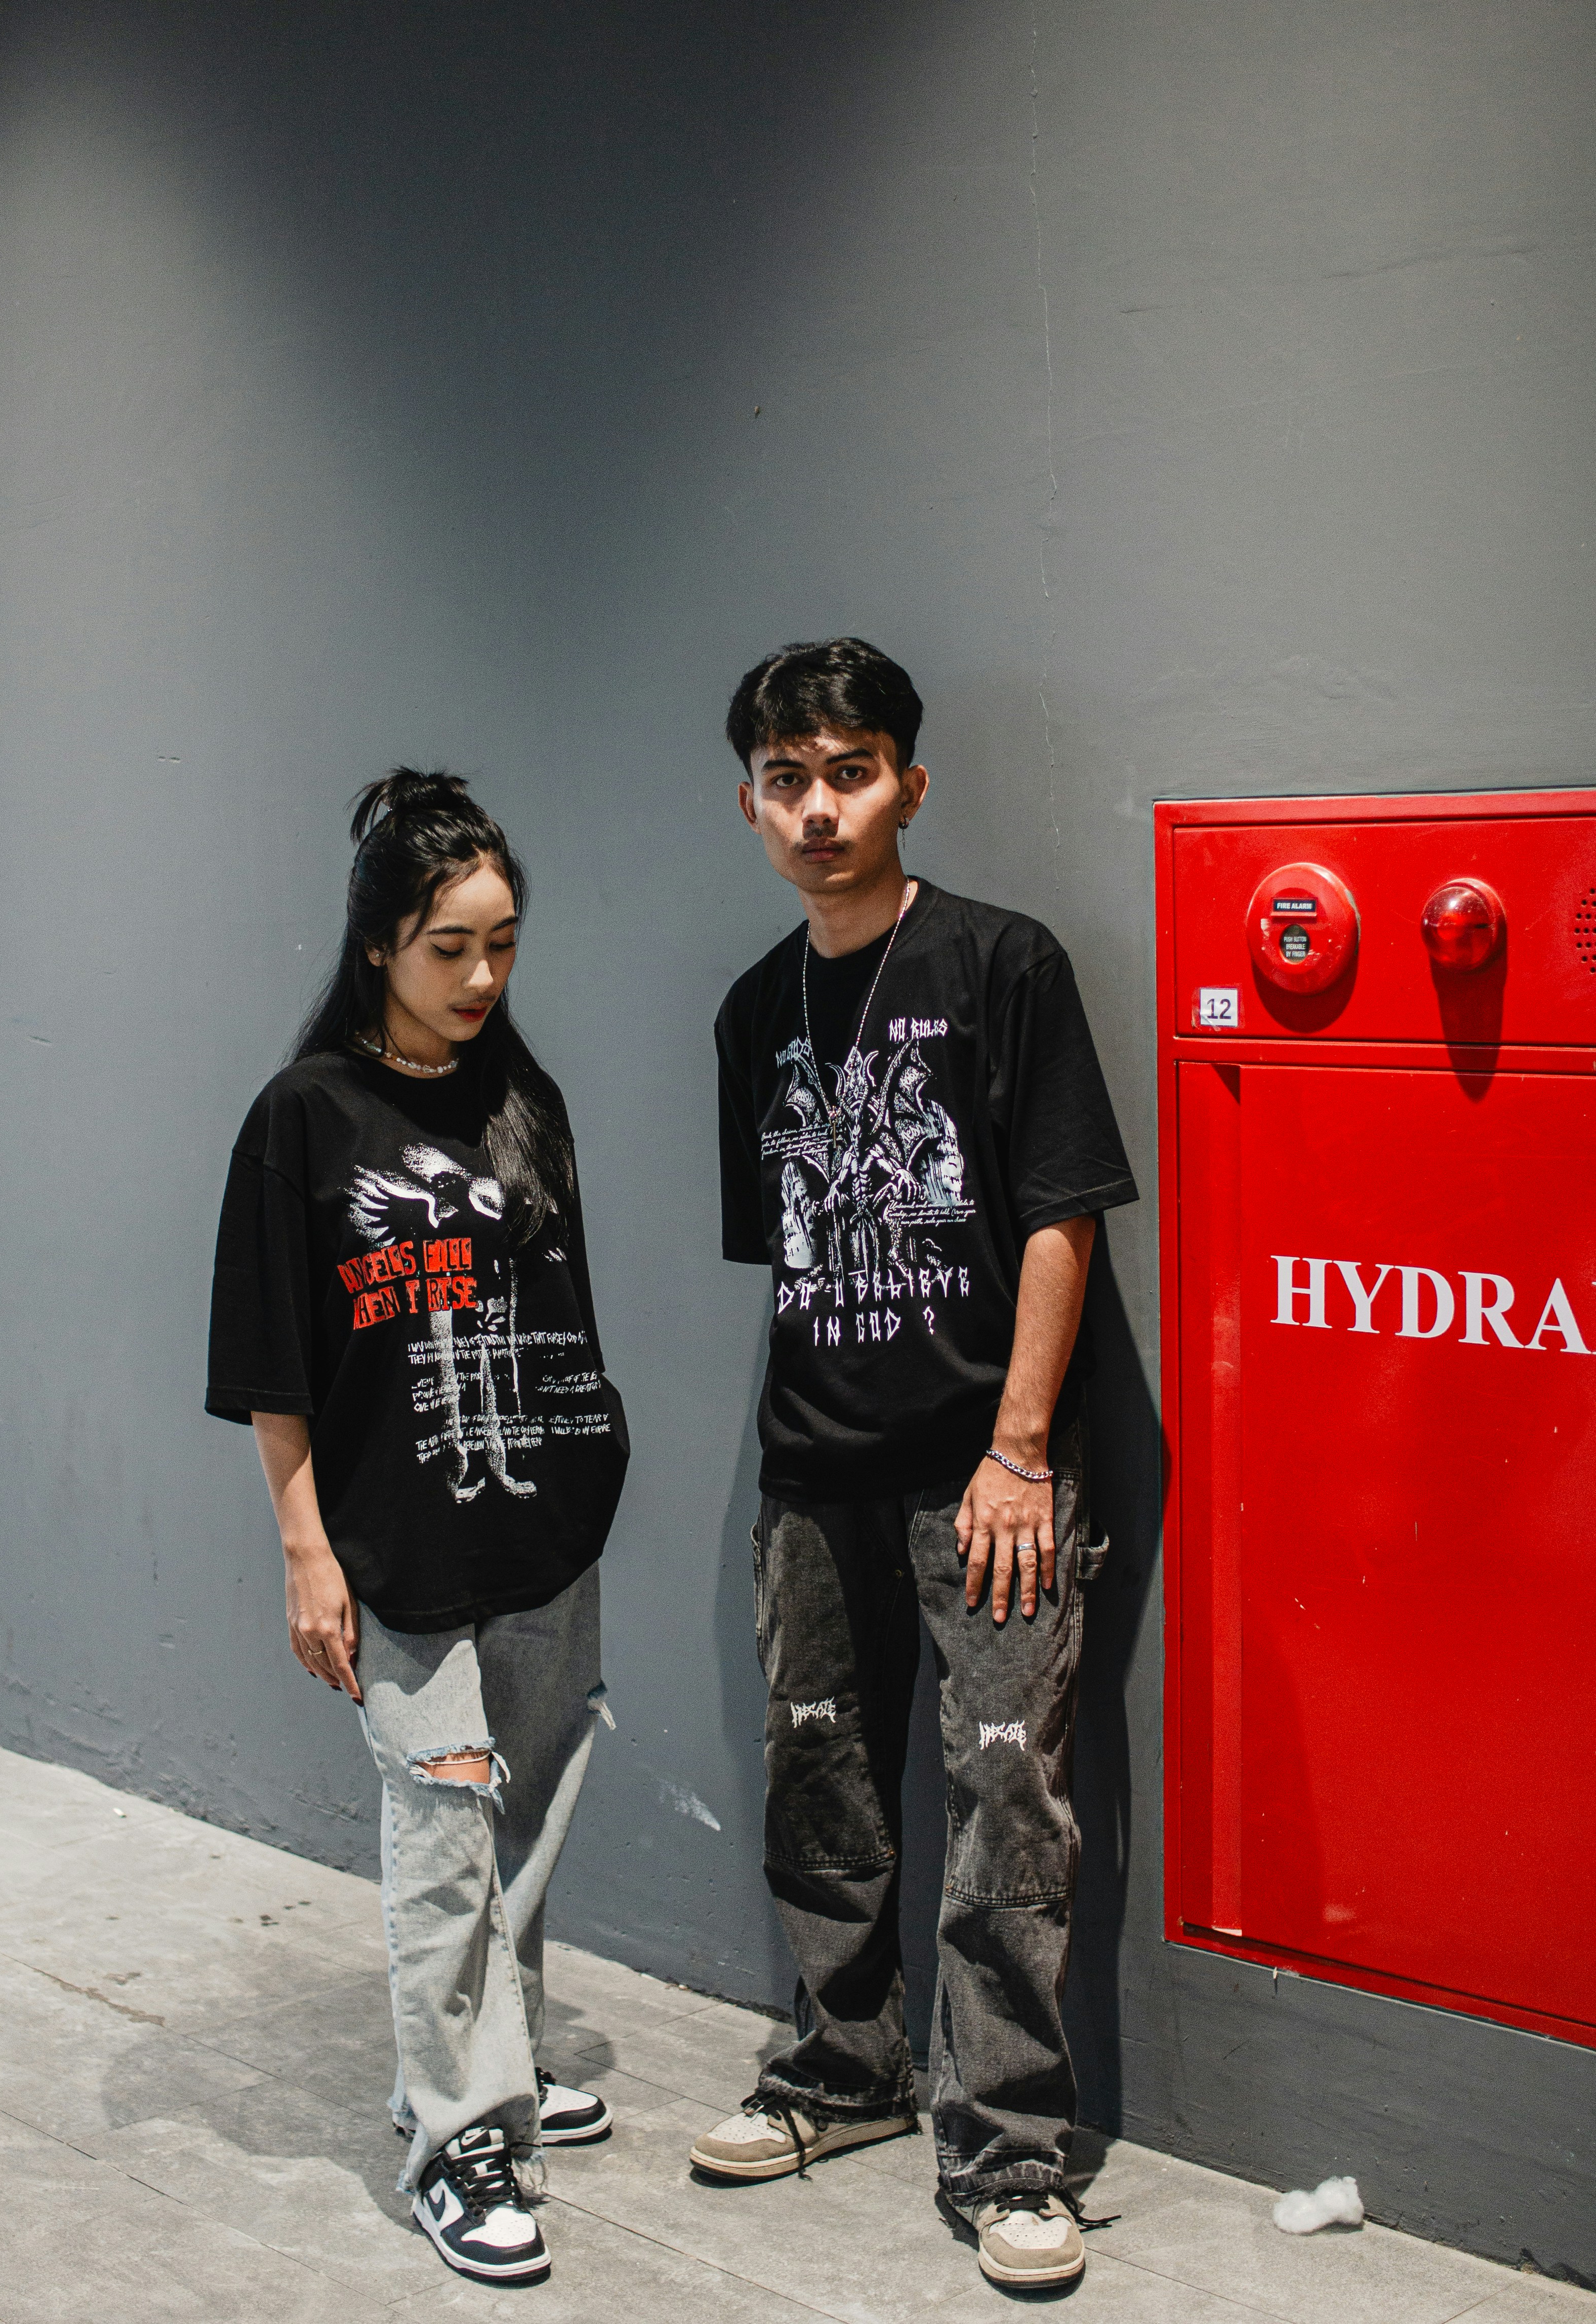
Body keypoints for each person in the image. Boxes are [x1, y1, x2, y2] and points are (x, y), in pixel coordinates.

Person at [697, 641, 1137, 2291]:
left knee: (1003, 1791)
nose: (820, 809)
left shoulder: (1003, 963)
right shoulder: (755, 1010)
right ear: (750, 802)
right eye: (788, 780)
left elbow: (1058, 1214)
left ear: (910, 784)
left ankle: (1013, 2151)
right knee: (821, 1777)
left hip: (987, 1478)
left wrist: (1021, 1451)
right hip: (814, 1472)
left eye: (852, 772)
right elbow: (802, 1257)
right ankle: (844, 2069)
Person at [206, 770, 629, 2287]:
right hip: (392, 1547)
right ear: (382, 942)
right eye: (450, 948)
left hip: (542, 1525)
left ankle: (485, 2051)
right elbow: (273, 1365)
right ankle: (461, 2137)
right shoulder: (304, 1119)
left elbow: (559, 1308)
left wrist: (593, 1478)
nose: (482, 979)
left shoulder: (528, 1101)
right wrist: (306, 1551)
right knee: (442, 1829)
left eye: (503, 944)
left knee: (523, 1822)